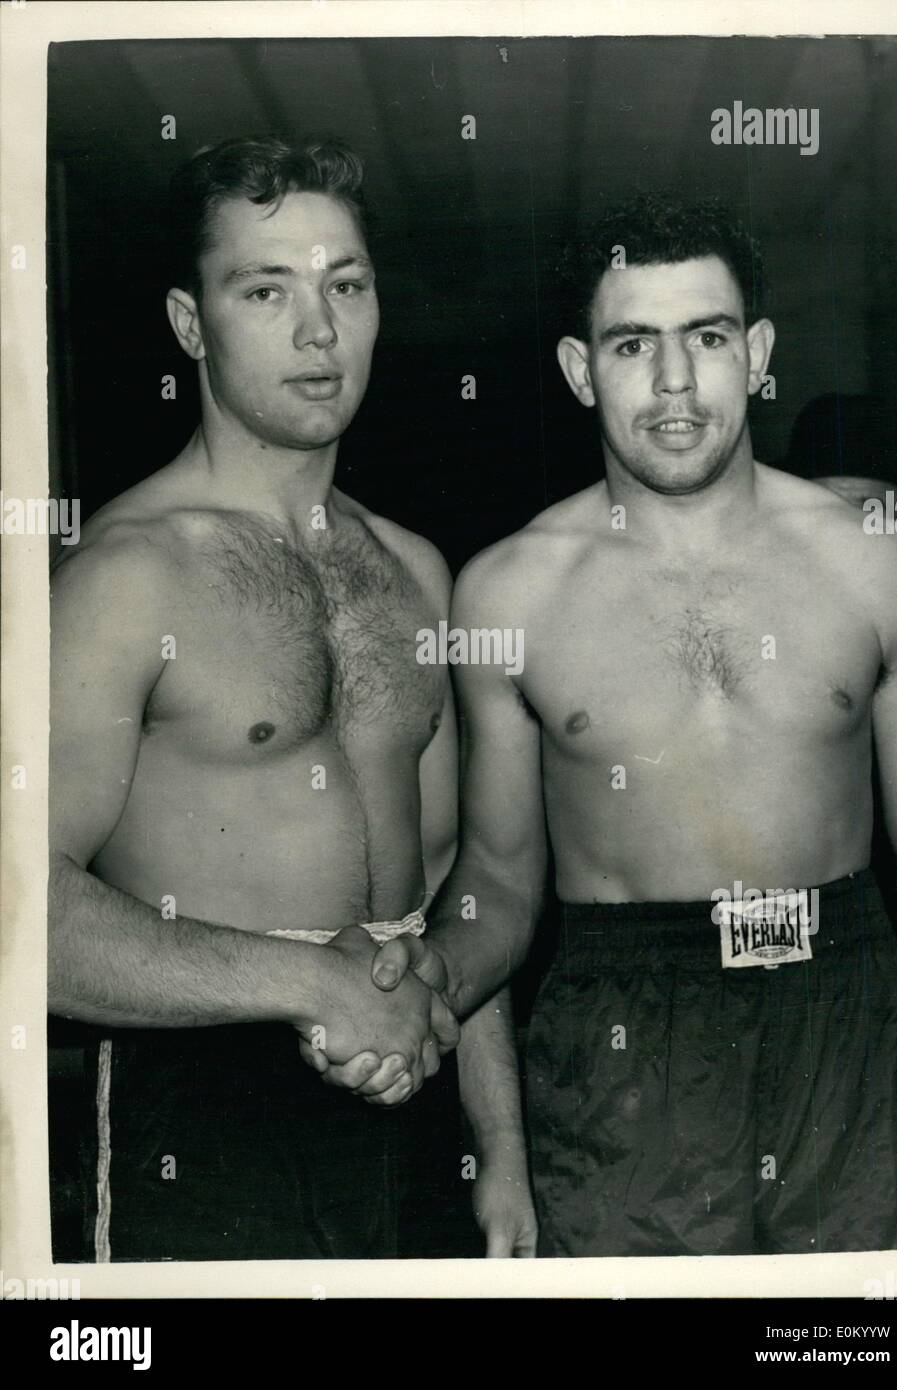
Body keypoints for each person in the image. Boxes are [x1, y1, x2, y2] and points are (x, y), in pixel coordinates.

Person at [336, 192, 897, 1258]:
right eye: (633, 344)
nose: (676, 383)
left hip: (851, 1004)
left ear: (758, 353)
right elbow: (498, 882)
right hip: (622, 1036)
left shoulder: (875, 559)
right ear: (577, 368)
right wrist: (423, 991)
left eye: (707, 337)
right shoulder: (508, 594)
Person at [48, 134, 494, 1261]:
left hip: (413, 1083)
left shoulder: (417, 571)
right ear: (191, 326)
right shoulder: (124, 572)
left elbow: (447, 883)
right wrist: (310, 984)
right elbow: (19, 913)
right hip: (202, 1111)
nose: (318, 329)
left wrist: (501, 1151)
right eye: (267, 288)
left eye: (345, 285)